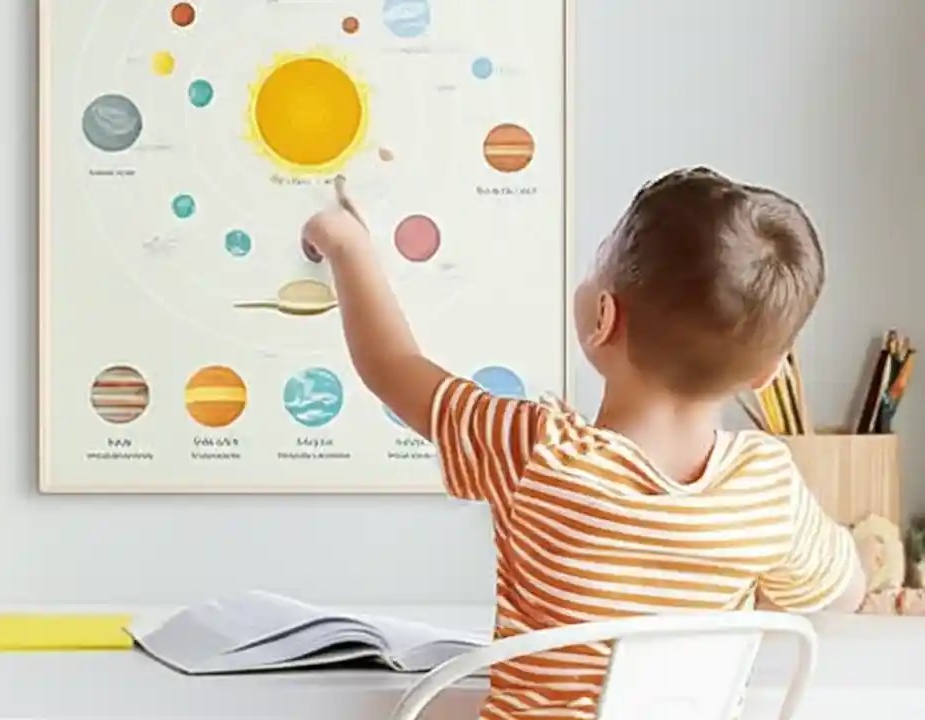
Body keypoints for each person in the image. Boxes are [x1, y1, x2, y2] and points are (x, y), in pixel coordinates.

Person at [301, 168, 866, 720]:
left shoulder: (537, 450)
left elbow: (392, 367)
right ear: (767, 374)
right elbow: (844, 593)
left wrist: (348, 246)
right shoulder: (769, 489)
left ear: (602, 317)